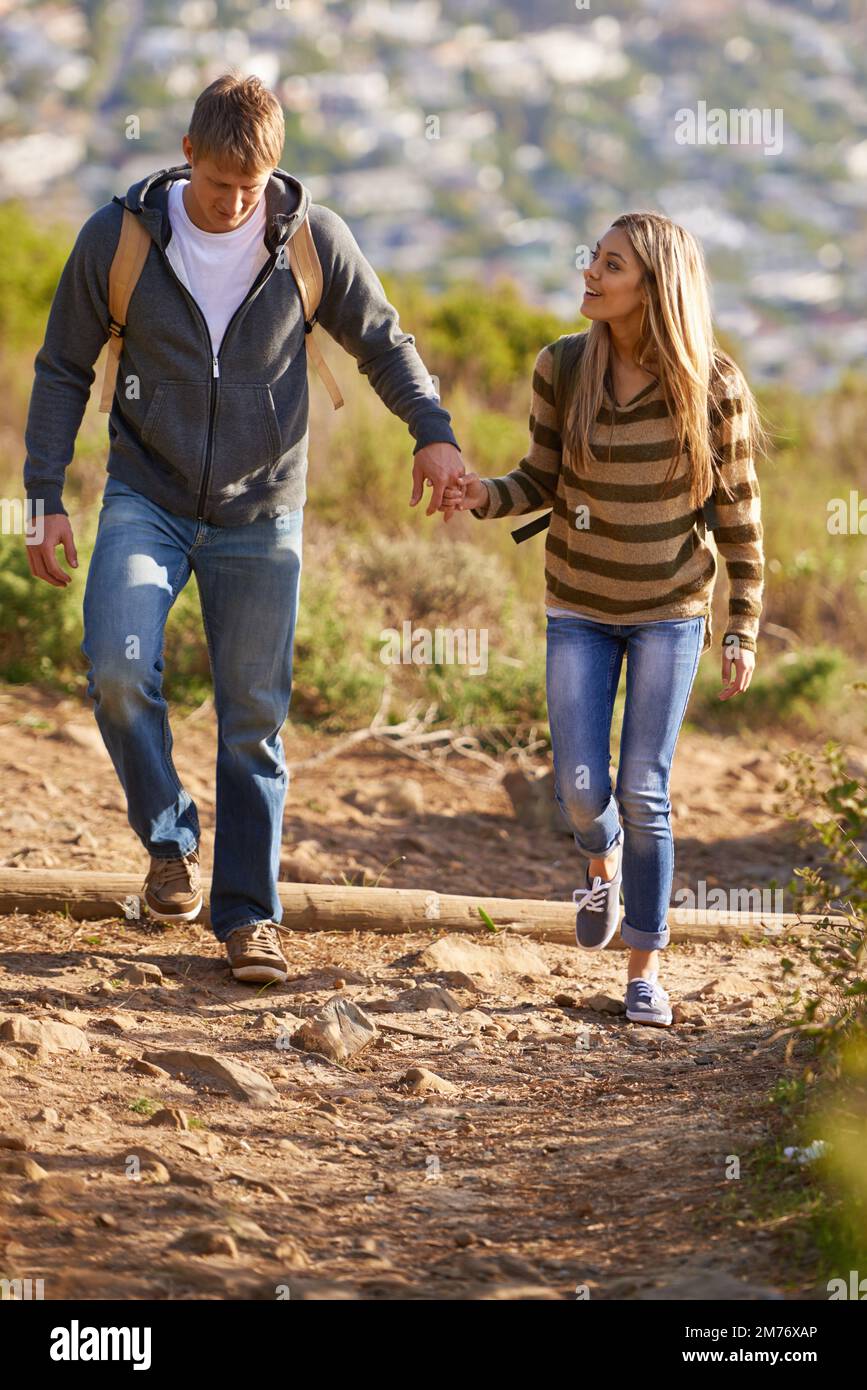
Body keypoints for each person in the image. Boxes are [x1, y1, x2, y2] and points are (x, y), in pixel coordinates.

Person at [23, 73, 464, 984]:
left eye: (253, 185)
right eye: (221, 184)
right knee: (114, 665)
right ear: (188, 155)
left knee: (253, 721)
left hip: (263, 509)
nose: (234, 204)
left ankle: (249, 918)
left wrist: (434, 436)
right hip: (147, 494)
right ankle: (169, 839)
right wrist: (45, 496)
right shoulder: (120, 238)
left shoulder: (310, 240)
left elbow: (383, 342)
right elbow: (62, 366)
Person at [442, 211, 765, 1027]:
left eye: (610, 265)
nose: (589, 272)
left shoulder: (710, 386)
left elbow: (738, 520)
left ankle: (644, 969)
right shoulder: (562, 366)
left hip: (668, 613)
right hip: (578, 607)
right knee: (585, 794)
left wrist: (741, 625)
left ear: (653, 286)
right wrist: (483, 495)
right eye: (594, 258)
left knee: (644, 790)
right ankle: (599, 860)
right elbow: (538, 480)